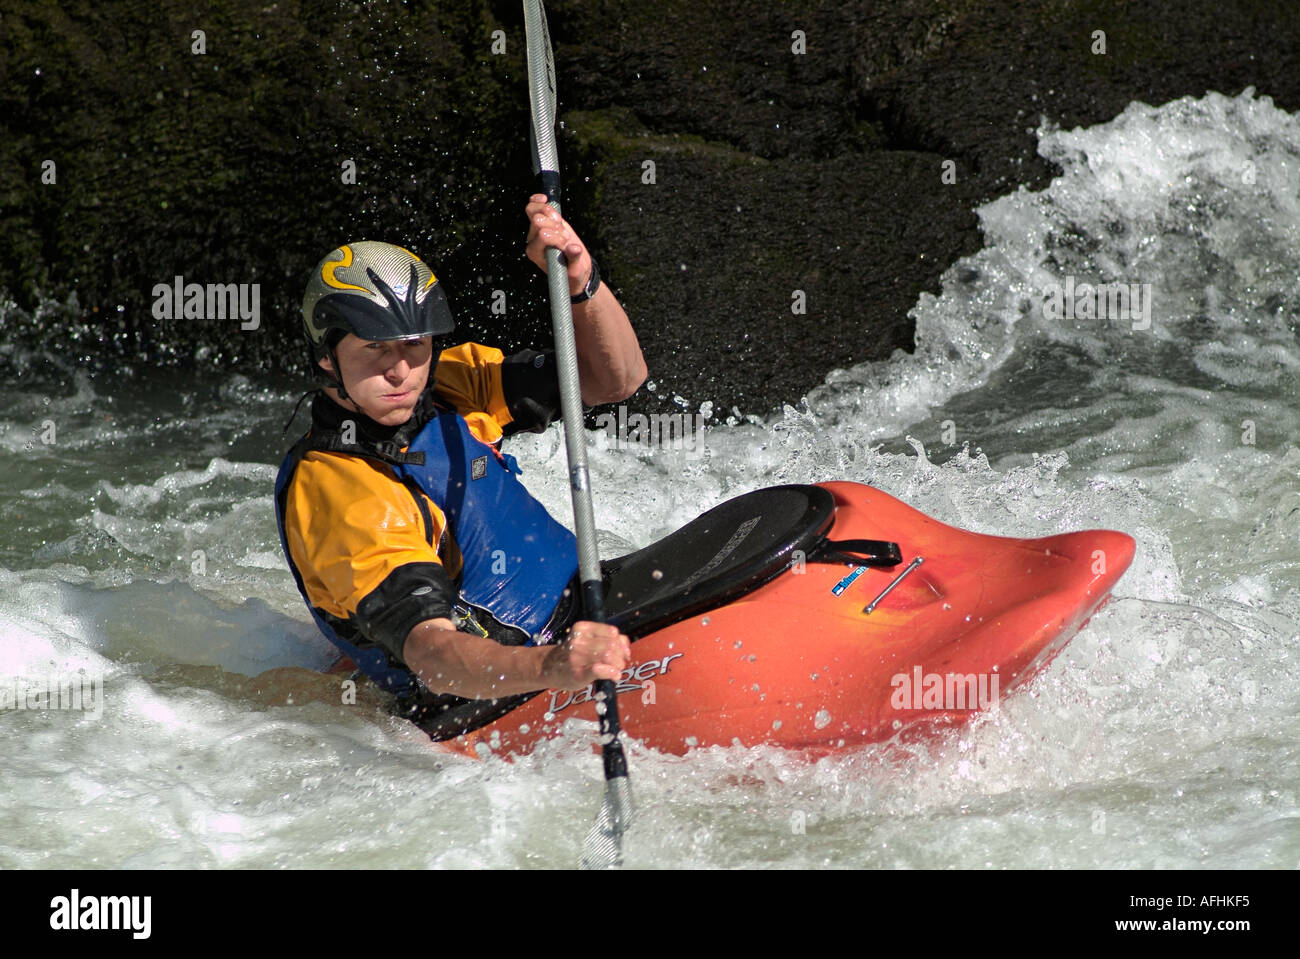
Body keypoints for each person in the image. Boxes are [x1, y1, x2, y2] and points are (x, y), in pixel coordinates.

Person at [274, 195, 647, 738]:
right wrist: (555, 667)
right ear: (327, 355)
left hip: (580, 609)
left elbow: (617, 380)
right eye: (376, 350)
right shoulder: (339, 490)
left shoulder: (453, 383)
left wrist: (580, 281)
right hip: (483, 699)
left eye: (414, 344)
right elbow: (431, 654)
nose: (401, 369)